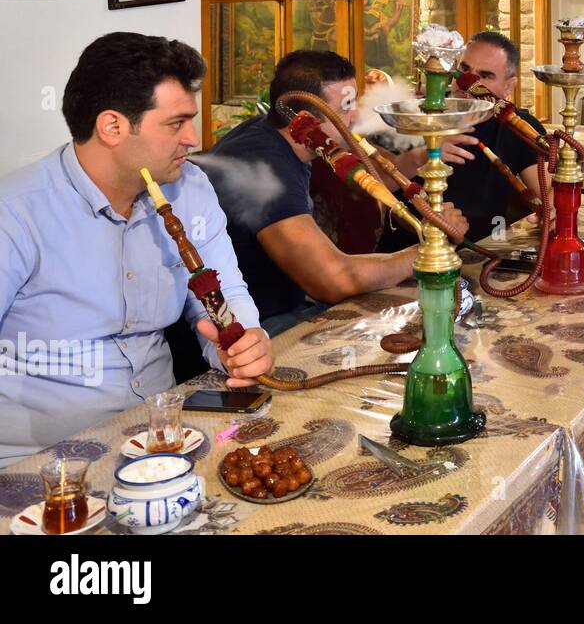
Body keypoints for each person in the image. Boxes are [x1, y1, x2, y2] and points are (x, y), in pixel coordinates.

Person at [0, 33, 271, 466]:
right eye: (175, 123)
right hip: (40, 463)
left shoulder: (190, 189)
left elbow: (222, 295)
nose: (194, 138)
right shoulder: (15, 213)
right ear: (112, 127)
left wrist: (243, 342)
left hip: (161, 437)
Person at [198, 50, 464, 335]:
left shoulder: (272, 135)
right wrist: (430, 252)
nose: (357, 115)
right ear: (304, 121)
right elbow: (332, 279)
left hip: (287, 304)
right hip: (258, 325)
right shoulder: (264, 165)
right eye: (346, 106)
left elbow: (371, 184)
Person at [441, 31, 547, 242]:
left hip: (482, 252)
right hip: (411, 249)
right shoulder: (417, 117)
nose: (467, 81)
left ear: (508, 87)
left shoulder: (518, 127)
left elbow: (548, 189)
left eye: (485, 76)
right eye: (464, 69)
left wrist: (552, 210)